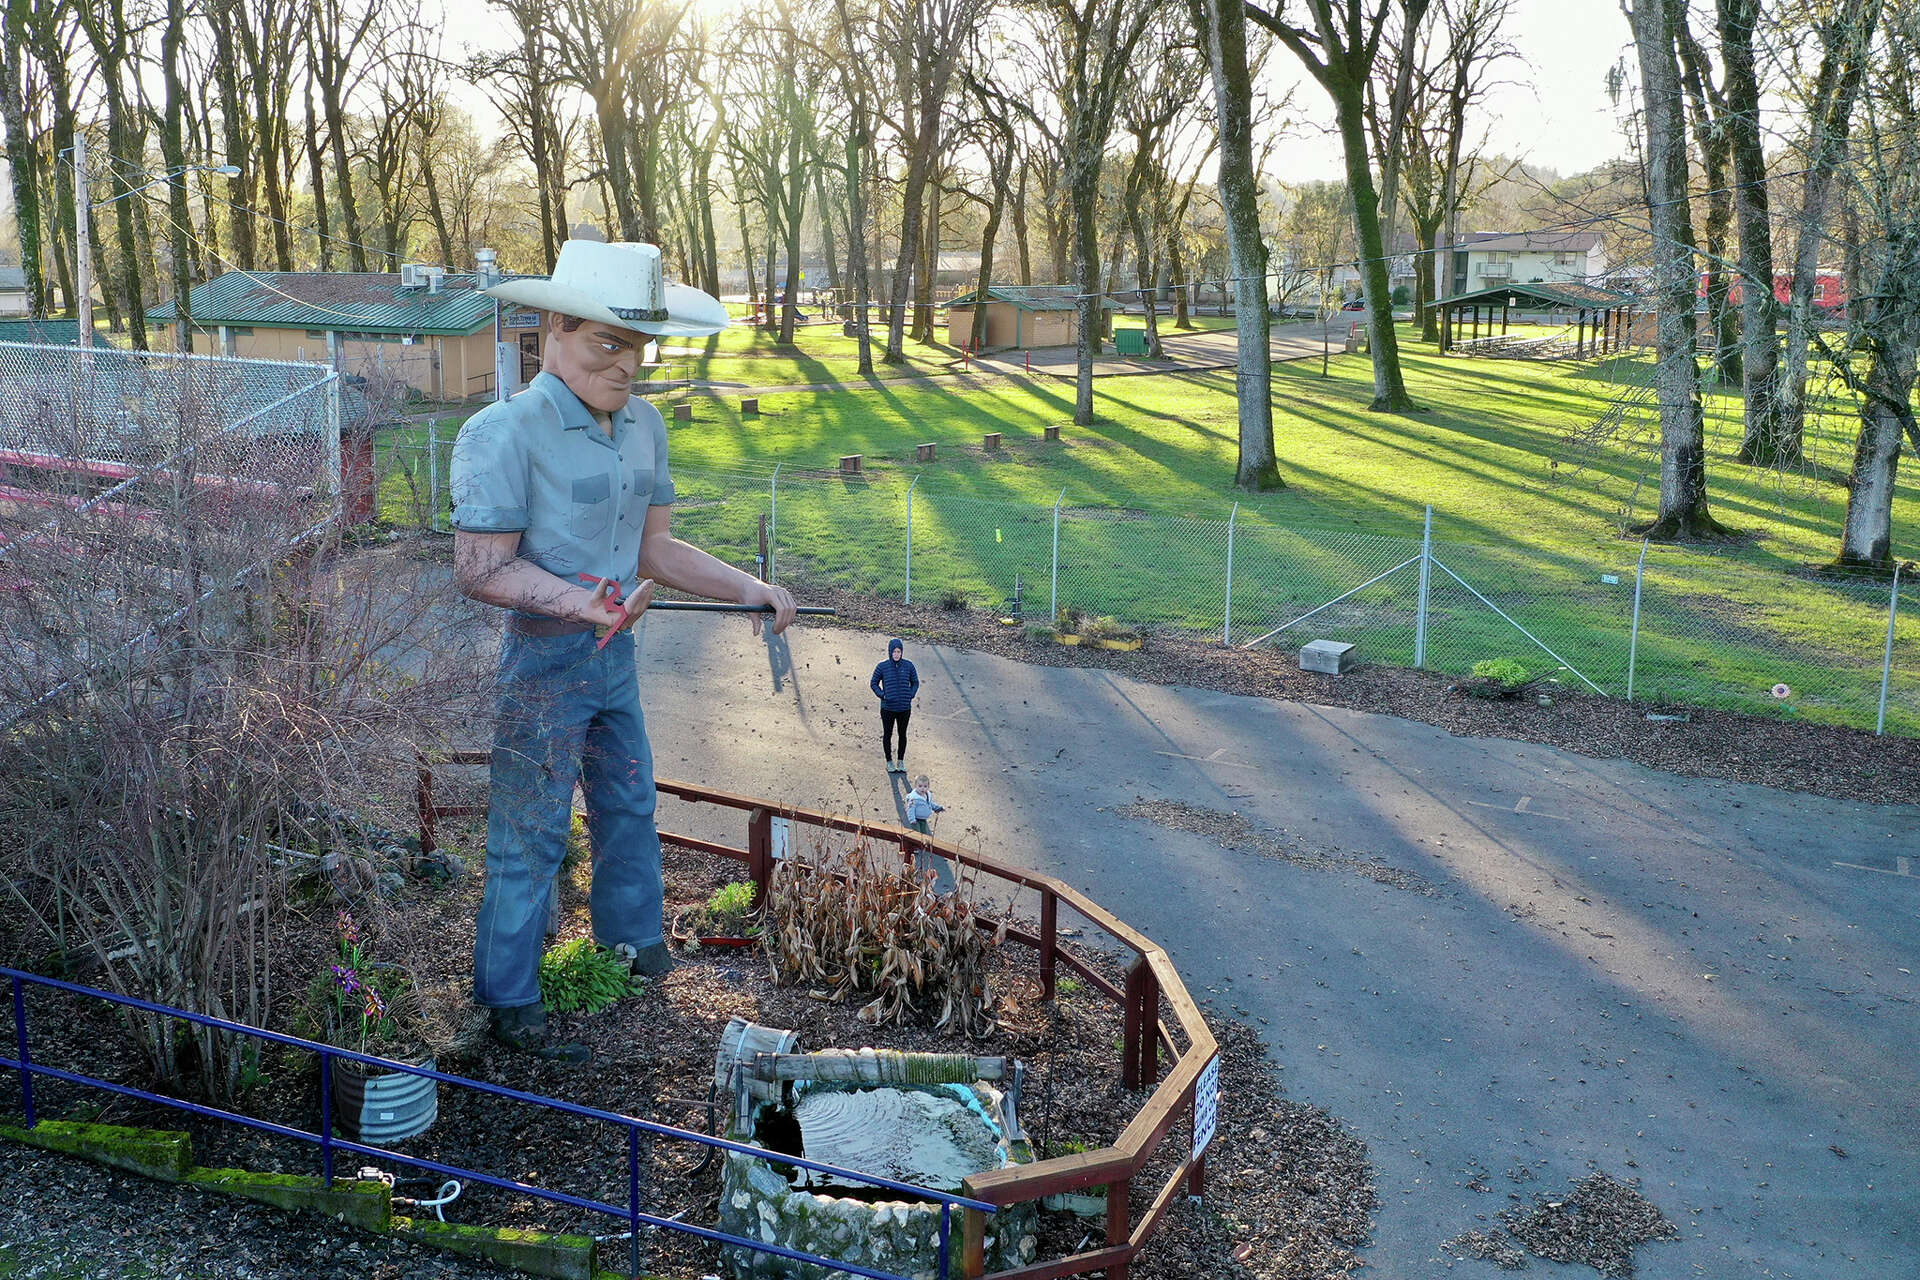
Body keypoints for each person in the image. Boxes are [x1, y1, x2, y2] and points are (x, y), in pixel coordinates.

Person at [450, 239, 798, 1062]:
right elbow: (480, 567)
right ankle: (509, 995)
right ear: (553, 331)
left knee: (631, 806)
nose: (629, 363)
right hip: (543, 666)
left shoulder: (642, 426)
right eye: (609, 342)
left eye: (639, 344)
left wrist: (750, 588)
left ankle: (634, 946)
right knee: (530, 832)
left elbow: (657, 550)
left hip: (615, 659)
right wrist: (587, 604)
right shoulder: (503, 432)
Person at [869, 637, 919, 774]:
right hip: (888, 708)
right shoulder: (882, 666)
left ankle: (901, 761)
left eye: (899, 651)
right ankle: (889, 761)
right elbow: (873, 683)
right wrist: (882, 695)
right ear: (890, 652)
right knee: (887, 734)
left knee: (902, 734)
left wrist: (911, 694)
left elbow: (915, 682)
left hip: (904, 708)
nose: (896, 654)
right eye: (894, 652)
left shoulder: (908, 666)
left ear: (902, 652)